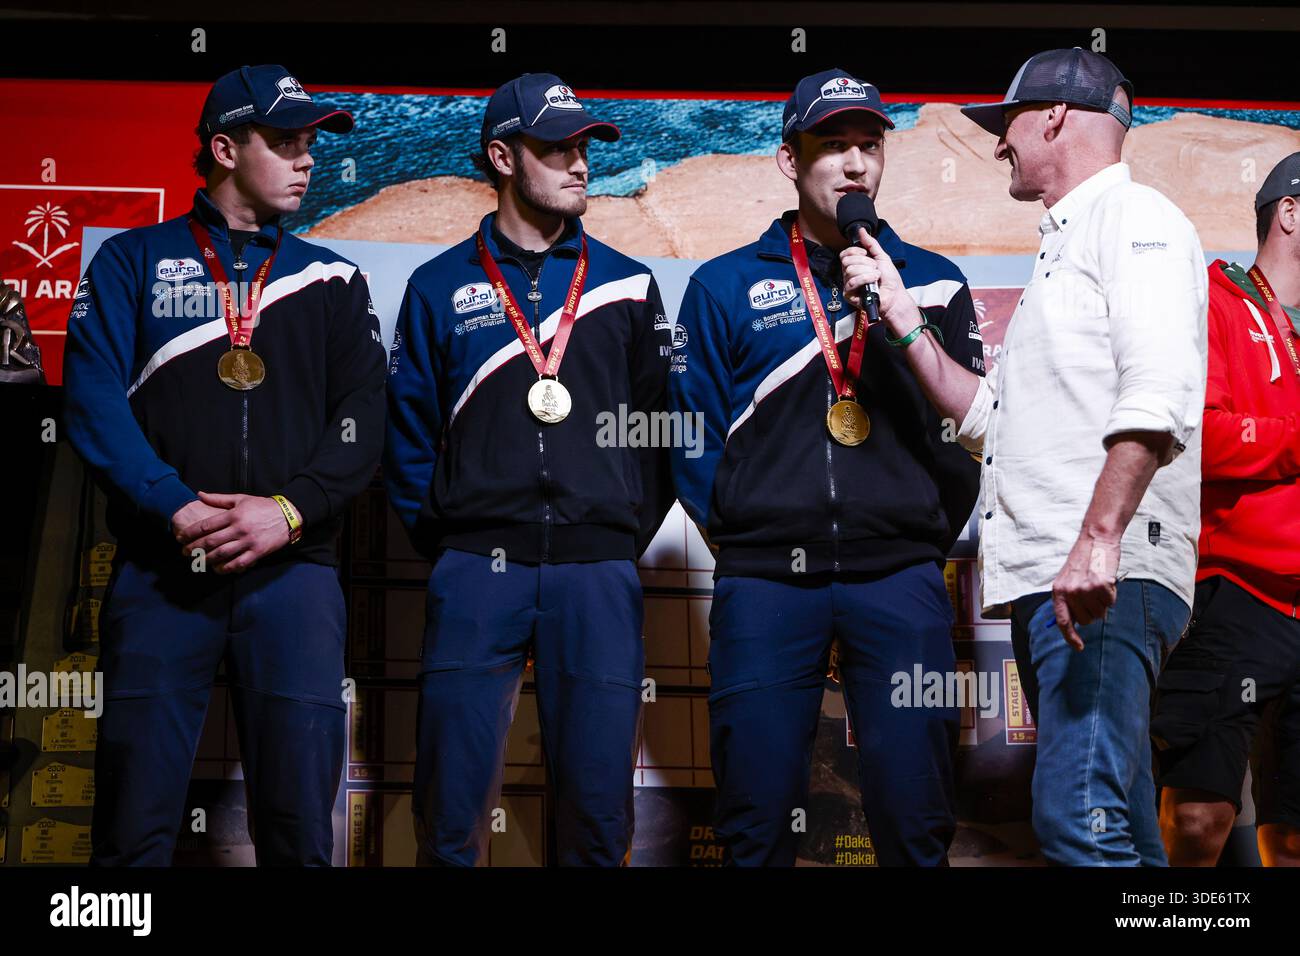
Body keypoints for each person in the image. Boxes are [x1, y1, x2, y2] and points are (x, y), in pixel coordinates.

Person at [841, 48, 1207, 865]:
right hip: (1069, 579)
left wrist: (1099, 538)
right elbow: (990, 425)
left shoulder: (1135, 219)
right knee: (1118, 822)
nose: (999, 145)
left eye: (1007, 125)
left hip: (1100, 581)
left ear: (1051, 118)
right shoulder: (1066, 247)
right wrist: (903, 317)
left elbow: (1160, 390)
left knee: (1080, 821)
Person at [63, 65, 387, 865]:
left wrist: (287, 511)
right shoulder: (131, 263)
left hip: (296, 575)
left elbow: (362, 421)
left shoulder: (333, 278)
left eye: (310, 143)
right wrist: (173, 504)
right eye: (284, 142)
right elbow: (93, 404)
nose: (306, 160)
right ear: (224, 147)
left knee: (301, 833)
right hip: (162, 568)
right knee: (132, 830)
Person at [668, 68, 985, 866]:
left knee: (915, 822)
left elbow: (966, 437)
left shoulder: (935, 280)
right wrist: (749, 530)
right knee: (752, 823)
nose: (854, 165)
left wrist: (910, 534)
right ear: (789, 160)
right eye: (832, 146)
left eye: (868, 146)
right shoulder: (723, 285)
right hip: (767, 583)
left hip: (899, 578)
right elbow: (689, 433)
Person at [384, 73, 673, 866]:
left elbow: (658, 430)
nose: (581, 165)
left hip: (598, 572)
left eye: (585, 148)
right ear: (503, 156)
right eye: (558, 149)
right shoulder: (437, 285)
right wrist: (454, 540)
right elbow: (406, 440)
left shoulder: (626, 283)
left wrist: (609, 530)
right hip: (477, 569)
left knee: (597, 816)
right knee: (451, 811)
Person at [1153, 152, 1300, 867]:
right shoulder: (1215, 300)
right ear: (1290, 213)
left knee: (1294, 832)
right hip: (1239, 590)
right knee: (1200, 816)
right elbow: (1198, 435)